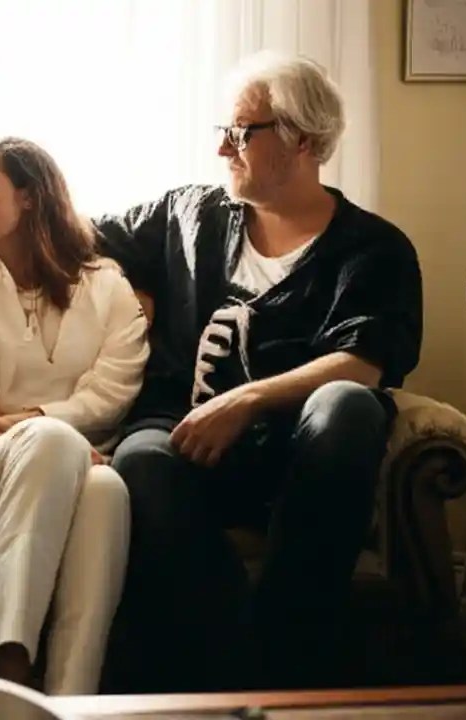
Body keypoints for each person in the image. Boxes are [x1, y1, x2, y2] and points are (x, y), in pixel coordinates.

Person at [97, 51, 423, 691]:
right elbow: (78, 235)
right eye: (223, 129)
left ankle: (288, 645)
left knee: (349, 406)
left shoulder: (373, 248)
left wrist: (245, 401)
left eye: (241, 131)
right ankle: (242, 664)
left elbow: (364, 360)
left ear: (301, 140)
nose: (222, 147)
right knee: (139, 458)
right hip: (184, 438)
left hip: (298, 456)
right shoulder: (192, 215)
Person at [0, 138, 149, 694]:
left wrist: (29, 423)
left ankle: (70, 696)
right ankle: (11, 662)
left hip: (88, 460)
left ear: (29, 197)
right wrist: (36, 430)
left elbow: (113, 393)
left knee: (106, 491)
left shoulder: (106, 284)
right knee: (55, 442)